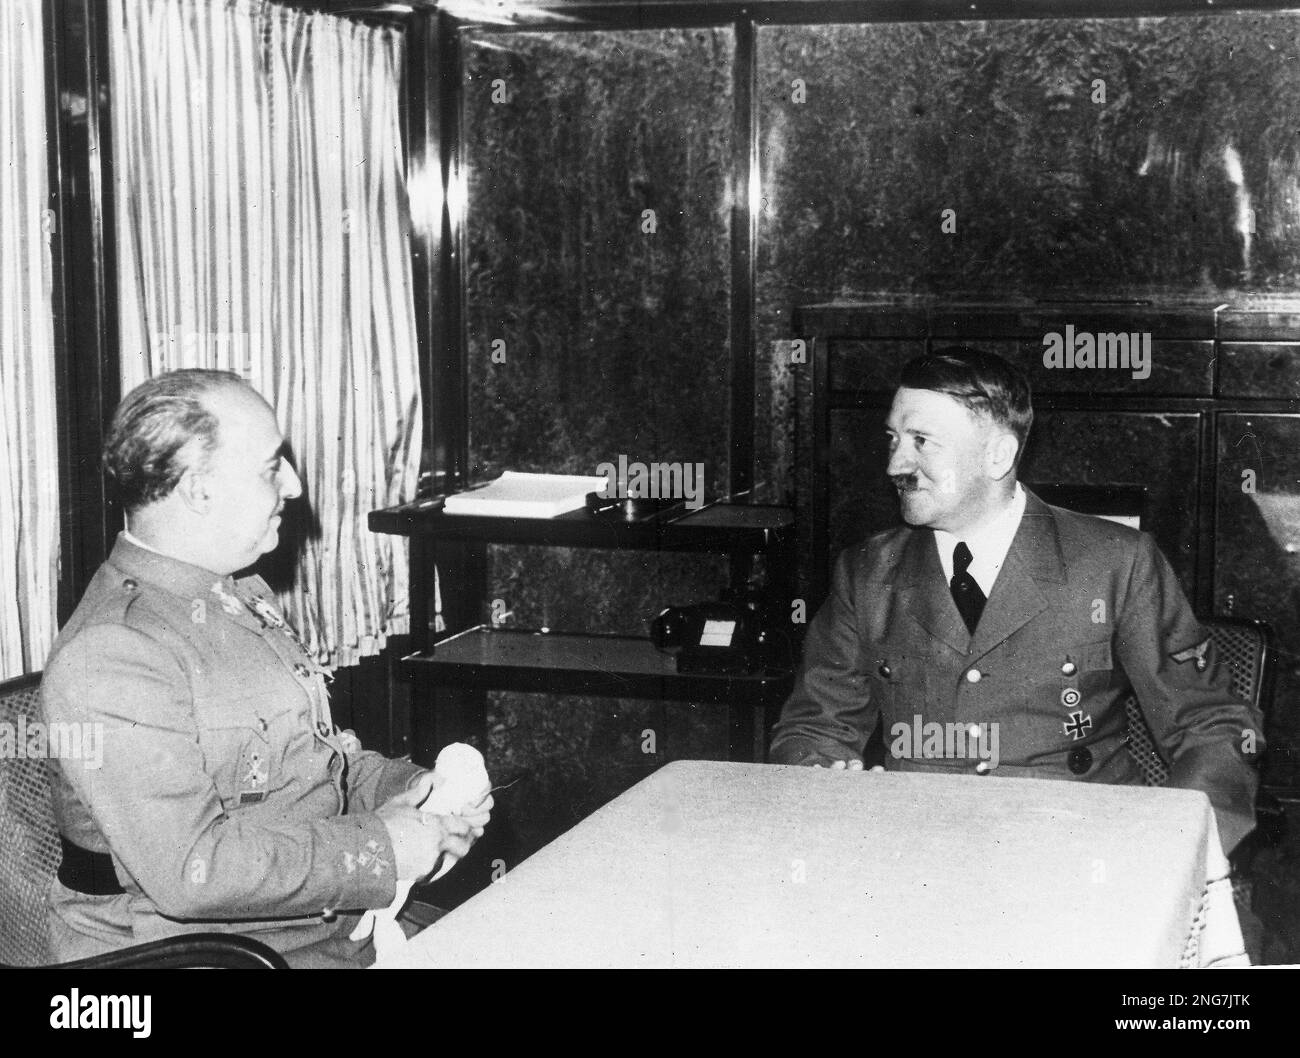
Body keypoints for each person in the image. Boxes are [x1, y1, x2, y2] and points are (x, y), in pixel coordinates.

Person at [41, 368, 490, 967]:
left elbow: (314, 768)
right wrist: (384, 848)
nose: (296, 486)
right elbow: (192, 871)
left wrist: (411, 792)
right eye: (270, 467)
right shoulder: (113, 653)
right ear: (199, 491)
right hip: (196, 956)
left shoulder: (240, 593)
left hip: (313, 931)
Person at [769, 347, 1264, 856]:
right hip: (920, 846)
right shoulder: (868, 571)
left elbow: (1209, 722)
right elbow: (814, 726)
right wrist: (824, 781)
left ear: (997, 456)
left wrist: (1181, 849)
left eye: (922, 442)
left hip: (1084, 846)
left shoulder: (1115, 561)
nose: (897, 464)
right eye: (893, 439)